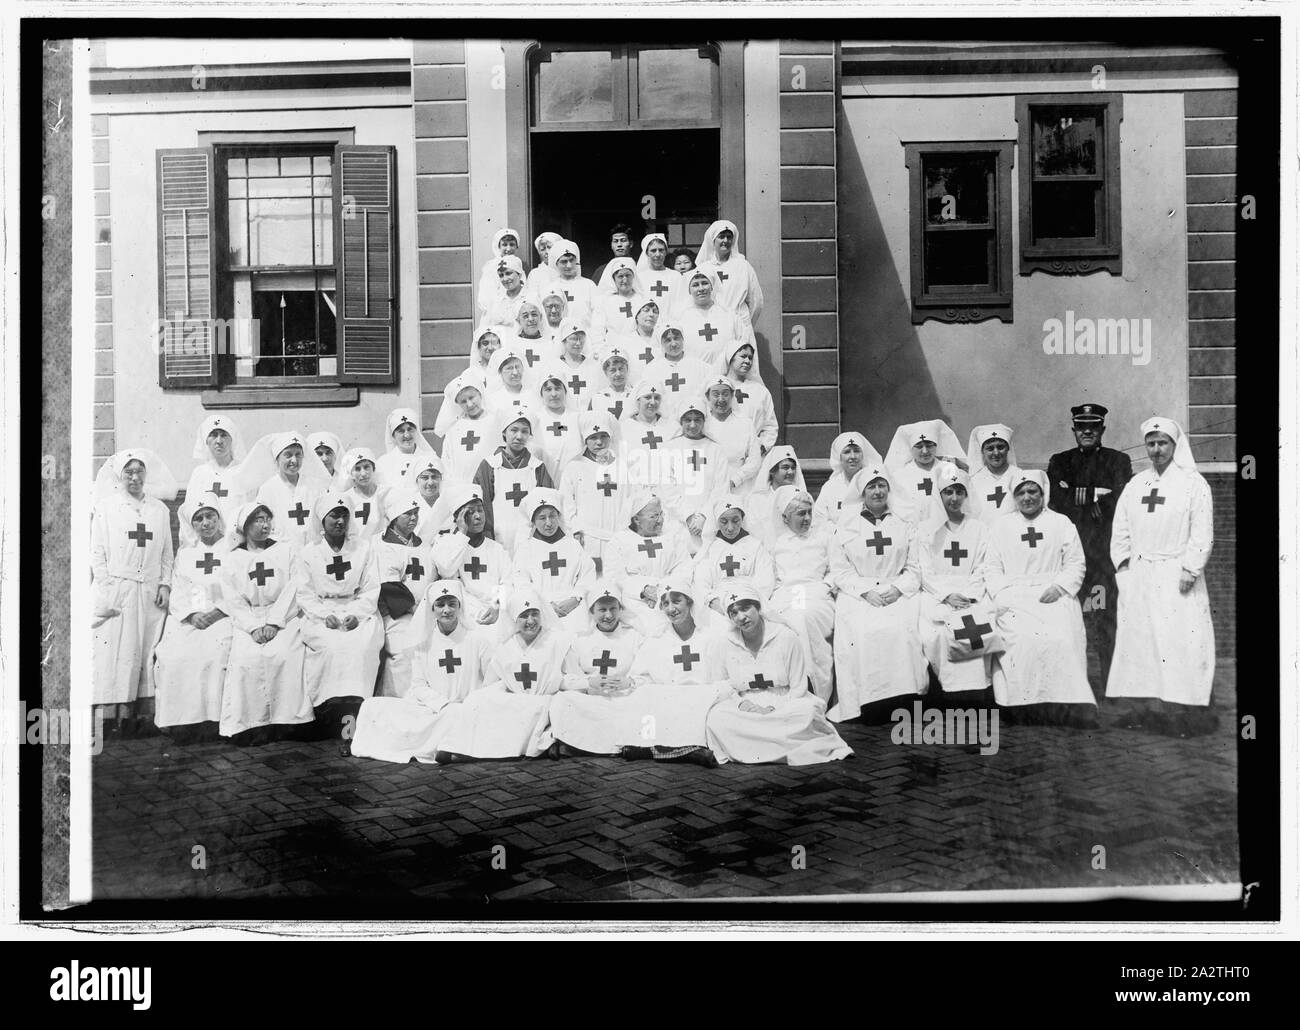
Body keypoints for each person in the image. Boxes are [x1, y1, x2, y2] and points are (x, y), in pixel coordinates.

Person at [1105, 417, 1216, 735]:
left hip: (1176, 573)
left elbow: (1202, 531)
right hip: (1140, 574)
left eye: (1162, 443)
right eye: (1151, 443)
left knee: (1179, 643)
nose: (1156, 449)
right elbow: (1121, 528)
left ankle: (1183, 715)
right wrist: (1124, 566)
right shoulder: (1137, 484)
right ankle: (1141, 711)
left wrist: (1191, 568)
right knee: (1138, 643)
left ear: (1175, 445)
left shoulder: (1193, 483)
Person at [983, 470, 1098, 725]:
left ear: (1043, 493)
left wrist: (1059, 587)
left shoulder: (1061, 523)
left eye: (1032, 491)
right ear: (1014, 497)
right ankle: (1020, 705)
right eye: (1021, 492)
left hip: (1053, 593)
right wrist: (1003, 593)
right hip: (1014, 596)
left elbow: (1076, 563)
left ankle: (1065, 704)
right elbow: (990, 568)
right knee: (1020, 639)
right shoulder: (1001, 526)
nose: (1027, 497)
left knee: (1061, 637)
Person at [704, 582, 851, 765]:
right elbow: (722, 685)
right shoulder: (724, 643)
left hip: (785, 702)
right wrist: (743, 704)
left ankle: (754, 746)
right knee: (716, 717)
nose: (741, 617)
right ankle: (777, 744)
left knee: (807, 712)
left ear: (758, 607)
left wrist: (774, 709)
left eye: (745, 608)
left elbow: (798, 687)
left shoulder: (785, 637)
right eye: (734, 613)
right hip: (746, 705)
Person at [348, 579, 492, 764]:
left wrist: (469, 704)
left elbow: (490, 680)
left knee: (454, 717)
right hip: (432, 708)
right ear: (432, 608)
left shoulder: (477, 639)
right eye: (440, 605)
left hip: (463, 710)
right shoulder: (423, 643)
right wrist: (441, 704)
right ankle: (448, 746)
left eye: (452, 604)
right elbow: (418, 685)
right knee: (371, 705)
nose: (446, 610)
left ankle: (452, 748)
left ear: (460, 606)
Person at [827, 464, 927, 722]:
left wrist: (897, 589)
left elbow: (915, 568)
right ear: (861, 492)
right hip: (859, 592)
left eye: (882, 485)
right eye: (871, 486)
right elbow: (840, 570)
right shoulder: (846, 525)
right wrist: (865, 592)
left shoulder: (904, 523)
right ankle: (867, 704)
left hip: (898, 589)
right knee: (861, 632)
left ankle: (904, 701)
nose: (878, 491)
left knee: (904, 632)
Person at [1046, 403, 1133, 693]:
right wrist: (1096, 495)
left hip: (1103, 559)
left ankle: (1112, 685)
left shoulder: (1118, 460)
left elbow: (1121, 498)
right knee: (1068, 619)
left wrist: (1076, 497)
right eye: (1081, 427)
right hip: (1070, 557)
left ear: (1102, 430)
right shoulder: (1060, 461)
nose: (1087, 431)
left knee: (1107, 621)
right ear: (1073, 430)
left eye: (1093, 427)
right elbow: (1056, 500)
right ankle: (1071, 684)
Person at [91, 449, 178, 734]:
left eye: (140, 471)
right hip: (120, 588)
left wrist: (165, 584)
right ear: (119, 475)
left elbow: (167, 552)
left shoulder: (159, 510)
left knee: (145, 649)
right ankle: (113, 715)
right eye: (129, 471)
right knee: (118, 651)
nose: (135, 477)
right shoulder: (107, 507)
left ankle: (142, 715)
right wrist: (107, 588)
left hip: (151, 591)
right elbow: (98, 552)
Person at [434, 588, 570, 761]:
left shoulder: (559, 641)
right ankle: (454, 745)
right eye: (524, 615)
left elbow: (572, 678)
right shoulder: (506, 647)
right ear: (514, 618)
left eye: (534, 614)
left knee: (538, 707)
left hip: (545, 699)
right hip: (517, 700)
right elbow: (489, 686)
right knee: (478, 699)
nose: (530, 621)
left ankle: (467, 754)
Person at [218, 501, 314, 744]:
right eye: (257, 520)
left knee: (285, 654)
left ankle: (289, 722)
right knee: (246, 659)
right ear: (244, 526)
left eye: (267, 519)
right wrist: (253, 626)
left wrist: (274, 622)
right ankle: (252, 724)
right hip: (248, 619)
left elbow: (294, 587)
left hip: (283, 616)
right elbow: (233, 599)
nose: (264, 525)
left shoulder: (286, 550)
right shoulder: (233, 559)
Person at [293, 493, 384, 734]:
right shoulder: (308, 553)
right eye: (334, 515)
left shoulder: (363, 549)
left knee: (361, 645)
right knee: (331, 646)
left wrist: (357, 613)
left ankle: (357, 707)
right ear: (322, 520)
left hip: (358, 611)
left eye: (344, 515)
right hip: (321, 612)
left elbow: (371, 588)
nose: (340, 521)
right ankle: (328, 709)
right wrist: (324, 616)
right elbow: (304, 593)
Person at [616, 576, 729, 764]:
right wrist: (632, 682)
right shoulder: (657, 638)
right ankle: (683, 750)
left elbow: (722, 677)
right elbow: (641, 676)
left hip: (700, 696)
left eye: (677, 601)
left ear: (690, 602)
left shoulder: (710, 637)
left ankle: (664, 750)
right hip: (668, 695)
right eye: (666, 603)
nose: (671, 608)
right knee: (645, 695)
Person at [153, 492, 232, 741]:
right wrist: (192, 614)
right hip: (191, 618)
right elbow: (178, 591)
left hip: (223, 616)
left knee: (215, 653)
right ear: (192, 524)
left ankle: (213, 720)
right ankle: (181, 722)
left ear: (219, 518)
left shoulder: (232, 549)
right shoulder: (186, 554)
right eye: (199, 519)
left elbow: (239, 588)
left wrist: (218, 612)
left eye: (210, 516)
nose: (205, 523)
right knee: (174, 655)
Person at [916, 465, 995, 701]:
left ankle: (976, 691)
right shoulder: (925, 530)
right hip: (936, 593)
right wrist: (947, 595)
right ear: (939, 495)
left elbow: (983, 566)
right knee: (936, 633)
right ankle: (946, 691)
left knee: (978, 625)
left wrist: (969, 595)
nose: (954, 498)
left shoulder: (979, 528)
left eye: (959, 492)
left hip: (971, 592)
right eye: (948, 492)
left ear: (966, 495)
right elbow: (923, 569)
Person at [547, 584, 648, 755]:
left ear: (620, 609)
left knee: (646, 699)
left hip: (624, 698)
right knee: (562, 700)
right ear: (592, 612)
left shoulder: (634, 636)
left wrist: (629, 682)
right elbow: (566, 678)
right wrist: (588, 683)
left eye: (613, 609)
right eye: (602, 609)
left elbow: (647, 674)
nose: (608, 615)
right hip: (592, 700)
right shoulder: (579, 639)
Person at [766, 486, 837, 703]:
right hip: (784, 595)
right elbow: (770, 578)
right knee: (774, 622)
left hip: (816, 593)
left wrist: (826, 586)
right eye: (800, 513)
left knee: (802, 618)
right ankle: (783, 690)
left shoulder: (824, 537)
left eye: (809, 512)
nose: (807, 518)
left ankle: (814, 689)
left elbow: (838, 569)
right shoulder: (775, 543)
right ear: (785, 517)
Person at [374, 489, 437, 698]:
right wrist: (416, 609)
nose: (413, 518)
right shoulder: (383, 546)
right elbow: (389, 586)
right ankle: (399, 702)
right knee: (404, 652)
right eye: (407, 514)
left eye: (416, 513)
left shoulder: (423, 545)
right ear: (393, 518)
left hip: (426, 611)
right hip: (398, 615)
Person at [603, 489, 691, 636]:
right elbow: (615, 577)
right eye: (654, 516)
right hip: (634, 603)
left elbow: (684, 568)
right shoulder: (619, 541)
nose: (660, 520)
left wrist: (664, 592)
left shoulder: (673, 537)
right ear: (637, 520)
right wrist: (644, 590)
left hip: (671, 599)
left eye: (661, 514)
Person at [511, 488, 598, 633]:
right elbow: (522, 583)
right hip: (540, 609)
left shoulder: (573, 545)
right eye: (542, 518)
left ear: (559, 516)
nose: (549, 523)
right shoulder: (525, 549)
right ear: (533, 520)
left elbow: (588, 576)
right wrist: (544, 605)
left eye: (552, 516)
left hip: (574, 607)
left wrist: (576, 599)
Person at [472, 407, 555, 551]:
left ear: (530, 435)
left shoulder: (537, 467)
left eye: (524, 431)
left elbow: (548, 505)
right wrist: (487, 537)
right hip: (496, 538)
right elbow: (481, 505)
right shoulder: (489, 466)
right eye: (514, 430)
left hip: (531, 538)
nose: (519, 436)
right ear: (504, 432)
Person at [691, 497, 776, 632]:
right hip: (719, 605)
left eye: (735, 521)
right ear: (716, 521)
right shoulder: (710, 549)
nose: (730, 528)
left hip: (750, 600)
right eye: (724, 522)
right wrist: (714, 602)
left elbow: (765, 579)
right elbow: (701, 583)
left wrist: (748, 603)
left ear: (743, 519)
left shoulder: (755, 546)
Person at [431, 485, 511, 626]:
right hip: (463, 614)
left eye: (480, 510)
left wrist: (496, 605)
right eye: (470, 512)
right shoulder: (444, 543)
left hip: (495, 612)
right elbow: (446, 570)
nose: (478, 516)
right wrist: (462, 531)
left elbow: (508, 581)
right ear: (458, 517)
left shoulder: (496, 549)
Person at [559, 411, 624, 573]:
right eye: (593, 437)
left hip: (617, 539)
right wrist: (574, 529)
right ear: (584, 439)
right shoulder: (574, 467)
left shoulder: (622, 467)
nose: (599, 442)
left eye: (604, 436)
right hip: (587, 539)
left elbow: (629, 501)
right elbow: (565, 503)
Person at [661, 397, 728, 551]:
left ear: (704, 421)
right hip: (678, 522)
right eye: (687, 420)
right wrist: (689, 516)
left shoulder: (715, 450)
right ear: (681, 422)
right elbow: (667, 488)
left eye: (697, 420)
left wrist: (704, 516)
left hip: (708, 521)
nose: (692, 425)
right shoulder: (669, 448)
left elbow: (721, 488)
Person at [247, 431, 333, 550]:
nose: (294, 460)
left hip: (314, 552)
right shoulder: (267, 489)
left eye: (298, 454)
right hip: (281, 554)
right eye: (288, 455)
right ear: (277, 458)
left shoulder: (316, 486)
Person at [882, 419, 967, 524]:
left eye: (929, 445)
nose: (925, 451)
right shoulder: (900, 477)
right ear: (911, 448)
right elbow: (898, 510)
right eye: (919, 446)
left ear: (936, 445)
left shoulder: (950, 469)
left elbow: (963, 504)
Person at [695, 218, 763, 345]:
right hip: (713, 326)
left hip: (740, 326)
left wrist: (745, 323)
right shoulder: (704, 268)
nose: (726, 241)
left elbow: (756, 301)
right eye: (721, 236)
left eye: (729, 237)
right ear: (713, 240)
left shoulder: (743, 266)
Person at [185, 414, 248, 544]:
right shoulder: (199, 474)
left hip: (238, 544)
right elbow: (189, 514)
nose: (219, 441)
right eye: (213, 435)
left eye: (224, 435)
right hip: (207, 544)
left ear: (232, 440)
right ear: (206, 440)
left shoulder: (243, 472)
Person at [644, 322, 714, 424]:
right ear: (661, 344)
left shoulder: (702, 367)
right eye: (668, 340)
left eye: (676, 338)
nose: (673, 343)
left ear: (683, 339)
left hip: (693, 423)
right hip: (664, 424)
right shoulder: (651, 370)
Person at [703, 376, 762, 495]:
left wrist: (735, 480)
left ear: (732, 395)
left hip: (739, 486)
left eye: (725, 394)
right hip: (708, 485)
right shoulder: (703, 425)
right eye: (715, 394)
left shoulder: (745, 423)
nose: (721, 399)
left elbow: (754, 460)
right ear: (707, 397)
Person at [813, 431, 885, 525]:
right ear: (839, 457)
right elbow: (819, 520)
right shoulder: (830, 487)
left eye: (856, 451)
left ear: (863, 455)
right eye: (847, 452)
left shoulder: (876, 483)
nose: (853, 456)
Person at [437, 373, 497, 486]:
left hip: (490, 483)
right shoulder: (454, 429)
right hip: (462, 486)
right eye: (463, 401)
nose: (469, 404)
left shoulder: (495, 422)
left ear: (480, 394)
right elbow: (446, 462)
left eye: (472, 397)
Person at [677, 267, 742, 367]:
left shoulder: (729, 315)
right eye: (695, 285)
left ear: (712, 287)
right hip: (696, 372)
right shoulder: (681, 318)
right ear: (689, 290)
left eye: (704, 283)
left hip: (726, 371)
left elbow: (741, 343)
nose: (701, 288)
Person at [746, 444, 810, 544]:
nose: (790, 472)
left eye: (793, 468)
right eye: (785, 467)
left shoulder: (800, 499)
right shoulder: (756, 500)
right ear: (772, 471)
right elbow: (753, 531)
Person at [531, 366, 584, 484]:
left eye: (557, 388)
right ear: (541, 393)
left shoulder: (577, 418)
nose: (554, 394)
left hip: (575, 482)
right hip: (544, 483)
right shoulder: (535, 419)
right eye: (548, 389)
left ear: (565, 391)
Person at [618, 378, 673, 493]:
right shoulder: (625, 428)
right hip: (637, 493)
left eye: (657, 398)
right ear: (638, 400)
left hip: (668, 492)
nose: (653, 402)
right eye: (647, 397)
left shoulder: (670, 427)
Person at [721, 340, 775, 451]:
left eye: (750, 358)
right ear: (731, 357)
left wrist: (762, 446)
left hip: (753, 451)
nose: (748, 361)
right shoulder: (718, 388)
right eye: (743, 356)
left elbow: (770, 426)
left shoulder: (760, 391)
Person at [966, 423, 1022, 523]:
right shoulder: (973, 481)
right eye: (990, 448)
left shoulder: (1020, 476)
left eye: (1000, 447)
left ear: (1008, 449)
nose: (996, 453)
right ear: (982, 451)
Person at [375, 407, 440, 487]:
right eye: (401, 431)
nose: (407, 435)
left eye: (410, 429)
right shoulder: (383, 463)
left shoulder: (431, 458)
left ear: (417, 431)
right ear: (393, 436)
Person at [591, 257, 648, 344]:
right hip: (614, 348)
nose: (625, 280)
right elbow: (597, 330)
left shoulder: (642, 300)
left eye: (628, 275)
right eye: (620, 276)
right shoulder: (605, 302)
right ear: (614, 279)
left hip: (638, 346)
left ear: (634, 277)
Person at [337, 446, 384, 543]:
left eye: (366, 467)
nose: (363, 473)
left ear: (373, 468)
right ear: (350, 473)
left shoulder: (385, 494)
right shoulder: (345, 499)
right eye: (357, 469)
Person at [552, 320, 601, 412]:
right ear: (564, 341)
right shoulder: (554, 366)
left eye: (581, 339)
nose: (578, 343)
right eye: (574, 339)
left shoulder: (593, 365)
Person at [547, 238, 598, 326]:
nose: (569, 265)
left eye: (571, 260)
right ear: (556, 264)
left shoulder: (589, 285)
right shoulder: (551, 288)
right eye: (564, 262)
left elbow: (598, 315)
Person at [636, 233, 685, 321]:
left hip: (671, 325)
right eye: (653, 250)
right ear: (646, 253)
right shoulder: (640, 277)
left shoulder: (675, 276)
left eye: (661, 250)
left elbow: (680, 303)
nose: (658, 254)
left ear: (666, 252)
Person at [475, 227, 523, 316]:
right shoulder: (490, 267)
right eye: (504, 245)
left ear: (517, 246)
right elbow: (485, 296)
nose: (508, 249)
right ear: (498, 246)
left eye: (512, 244)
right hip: (496, 312)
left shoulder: (518, 264)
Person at [588, 344, 635, 430]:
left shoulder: (635, 395)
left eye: (621, 369)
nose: (618, 374)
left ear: (627, 369)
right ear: (606, 372)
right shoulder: (598, 398)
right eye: (613, 370)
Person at [609, 299, 663, 372]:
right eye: (646, 310)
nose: (651, 314)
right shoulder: (624, 341)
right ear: (636, 315)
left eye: (655, 311)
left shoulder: (663, 340)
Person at [479, 254, 529, 329]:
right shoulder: (497, 301)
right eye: (501, 275)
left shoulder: (530, 297)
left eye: (508, 273)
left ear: (519, 274)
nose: (505, 279)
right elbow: (486, 328)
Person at [411, 453, 452, 541]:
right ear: (416, 480)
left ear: (441, 479)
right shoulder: (407, 508)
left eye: (434, 477)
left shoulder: (451, 505)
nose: (430, 482)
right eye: (425, 478)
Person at [590, 221, 635, 286]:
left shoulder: (638, 267)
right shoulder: (601, 271)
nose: (619, 244)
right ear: (611, 245)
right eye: (615, 241)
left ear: (631, 244)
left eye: (623, 240)